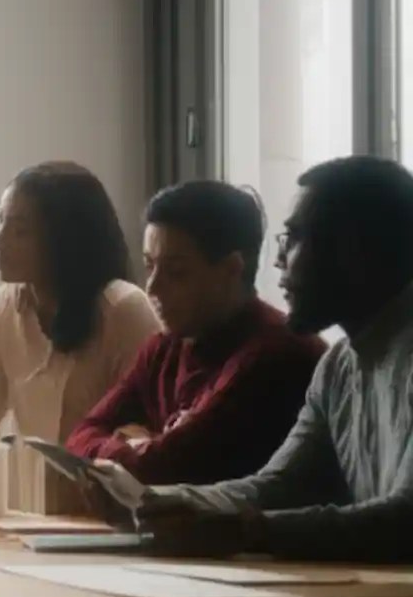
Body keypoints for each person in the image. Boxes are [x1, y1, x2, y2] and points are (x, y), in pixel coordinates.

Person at [134, 156, 413, 563]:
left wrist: (248, 530)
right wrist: (155, 500)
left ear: (356, 252)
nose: (279, 259)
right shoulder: (337, 367)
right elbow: (276, 486)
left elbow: (407, 519)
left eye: (294, 238)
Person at [66, 181, 326, 485]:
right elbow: (80, 436)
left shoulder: (275, 353)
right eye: (149, 266)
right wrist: (137, 449)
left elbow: (163, 468)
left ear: (232, 270)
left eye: (176, 272)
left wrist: (131, 447)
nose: (152, 287)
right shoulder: (162, 349)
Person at [0, 162, 160, 513]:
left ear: (65, 239)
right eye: (1, 222)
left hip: (106, 516)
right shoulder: (4, 307)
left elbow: (146, 432)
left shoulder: (122, 309)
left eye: (20, 230)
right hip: (29, 514)